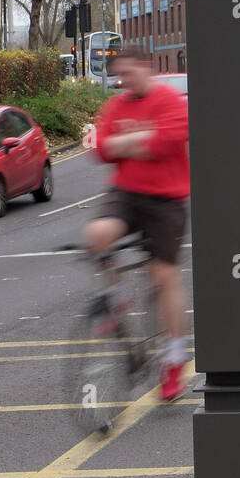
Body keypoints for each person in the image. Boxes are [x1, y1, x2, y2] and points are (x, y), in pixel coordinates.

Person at [83, 47, 190, 401]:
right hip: (127, 193)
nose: (122, 81)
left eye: (128, 73)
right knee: (96, 235)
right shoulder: (117, 106)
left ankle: (174, 358)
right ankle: (119, 296)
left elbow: (168, 140)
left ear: (146, 67)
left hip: (166, 199)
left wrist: (123, 143)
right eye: (119, 76)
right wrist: (135, 143)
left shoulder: (169, 101)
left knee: (163, 276)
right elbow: (99, 148)